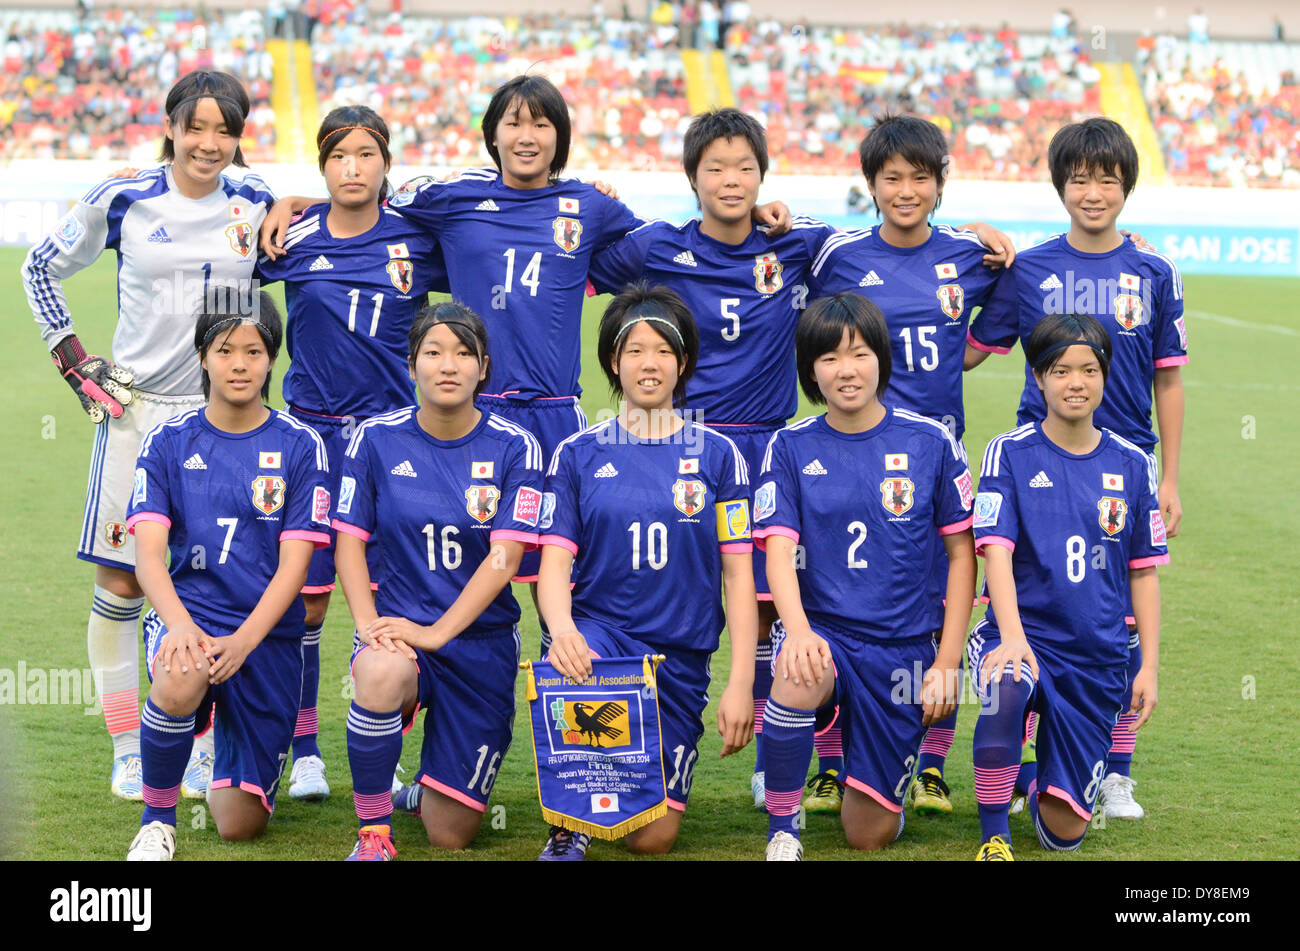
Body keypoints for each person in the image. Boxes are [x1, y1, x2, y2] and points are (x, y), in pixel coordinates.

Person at [589, 108, 1009, 816]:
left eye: (744, 169)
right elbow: (587, 256)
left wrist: (978, 232)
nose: (730, 180)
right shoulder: (669, 244)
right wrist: (600, 200)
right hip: (682, 444)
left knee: (777, 597)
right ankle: (619, 737)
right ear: (692, 176)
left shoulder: (803, 244)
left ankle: (777, 754)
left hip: (773, 438)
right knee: (667, 587)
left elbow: (943, 256)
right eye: (716, 168)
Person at [261, 79, 787, 602]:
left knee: (557, 577)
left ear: (560, 136)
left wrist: (750, 214)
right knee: (453, 567)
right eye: (513, 123)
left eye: (541, 123)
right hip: (473, 413)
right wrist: (296, 202)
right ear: (493, 135)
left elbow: (674, 241)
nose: (527, 136)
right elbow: (362, 197)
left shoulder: (589, 204)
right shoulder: (451, 196)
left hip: (555, 415)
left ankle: (564, 678)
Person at [21, 69, 276, 800]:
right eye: (195, 127)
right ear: (170, 126)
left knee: (204, 583)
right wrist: (74, 361)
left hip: (220, 420)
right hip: (136, 416)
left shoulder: (252, 201)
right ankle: (129, 746)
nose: (209, 142)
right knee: (122, 579)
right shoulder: (124, 195)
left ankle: (193, 742)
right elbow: (41, 267)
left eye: (224, 130)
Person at [967, 117, 1185, 819]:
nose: (1094, 192)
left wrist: (1171, 477)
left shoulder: (1153, 271)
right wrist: (967, 245)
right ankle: (1024, 725)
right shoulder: (1029, 268)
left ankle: (1115, 769)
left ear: (1126, 185)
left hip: (1126, 465)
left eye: (1108, 178)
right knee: (1039, 595)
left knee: (1117, 614)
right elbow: (971, 346)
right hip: (1042, 466)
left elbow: (1168, 381)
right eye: (1080, 178)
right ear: (1061, 184)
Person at [807, 114, 1005, 816]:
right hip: (846, 456)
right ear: (871, 183)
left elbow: (986, 333)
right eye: (892, 177)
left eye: (921, 177)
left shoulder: (969, 257)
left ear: (941, 183)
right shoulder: (834, 254)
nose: (906, 189)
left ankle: (929, 764)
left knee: (936, 606)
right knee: (837, 597)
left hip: (933, 464)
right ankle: (830, 760)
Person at [255, 104, 448, 802]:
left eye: (367, 154)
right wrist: (287, 203)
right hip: (310, 439)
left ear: (386, 163)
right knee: (304, 604)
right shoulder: (292, 237)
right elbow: (221, 282)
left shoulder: (419, 237)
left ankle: (388, 754)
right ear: (323, 165)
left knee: (394, 605)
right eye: (340, 156)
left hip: (392, 443)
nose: (354, 168)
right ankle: (303, 749)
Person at [537, 283, 757, 860]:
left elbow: (738, 578)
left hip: (679, 656)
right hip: (601, 640)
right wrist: (562, 631)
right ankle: (570, 824)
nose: (648, 363)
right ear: (614, 360)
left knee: (652, 840)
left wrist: (740, 683)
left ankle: (614, 780)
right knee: (576, 657)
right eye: (634, 350)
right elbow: (555, 565)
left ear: (682, 363)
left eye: (662, 349)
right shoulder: (578, 453)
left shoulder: (719, 456)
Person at [752, 293, 975, 860]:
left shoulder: (931, 441)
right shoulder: (790, 444)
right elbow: (778, 550)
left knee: (865, 834)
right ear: (810, 371)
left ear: (881, 358)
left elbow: (962, 555)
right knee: (797, 673)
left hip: (903, 647)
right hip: (825, 631)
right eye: (828, 358)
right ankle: (784, 826)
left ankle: (870, 781)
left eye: (858, 354)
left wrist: (948, 663)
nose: (845, 370)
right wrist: (797, 631)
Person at [332, 303, 543, 860]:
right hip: (402, 635)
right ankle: (374, 833)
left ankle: (421, 790)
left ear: (483, 368)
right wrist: (368, 627)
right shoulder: (373, 440)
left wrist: (439, 633)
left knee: (451, 834)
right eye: (433, 352)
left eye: (463, 353)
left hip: (481, 645)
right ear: (411, 366)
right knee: (377, 672)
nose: (448, 365)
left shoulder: (516, 446)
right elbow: (349, 540)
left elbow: (506, 556)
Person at [123, 298, 331, 860]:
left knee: (238, 826)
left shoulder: (300, 445)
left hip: (264, 638)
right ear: (203, 358)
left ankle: (218, 740)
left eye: (254, 351)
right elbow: (147, 558)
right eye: (225, 350)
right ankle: (157, 819)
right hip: (192, 615)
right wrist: (183, 627)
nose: (239, 364)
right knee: (181, 670)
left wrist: (244, 641)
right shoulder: (168, 441)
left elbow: (295, 566)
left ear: (270, 362)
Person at [969, 313, 1166, 860]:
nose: (1074, 382)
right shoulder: (1008, 452)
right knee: (1008, 686)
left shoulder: (1131, 464)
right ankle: (994, 839)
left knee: (1063, 838)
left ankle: (1030, 777)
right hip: (1025, 636)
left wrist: (1147, 664)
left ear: (1105, 375)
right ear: (1038, 378)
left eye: (1087, 369)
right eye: (1059, 370)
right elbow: (996, 552)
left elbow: (1143, 571)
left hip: (1096, 656)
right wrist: (1011, 637)